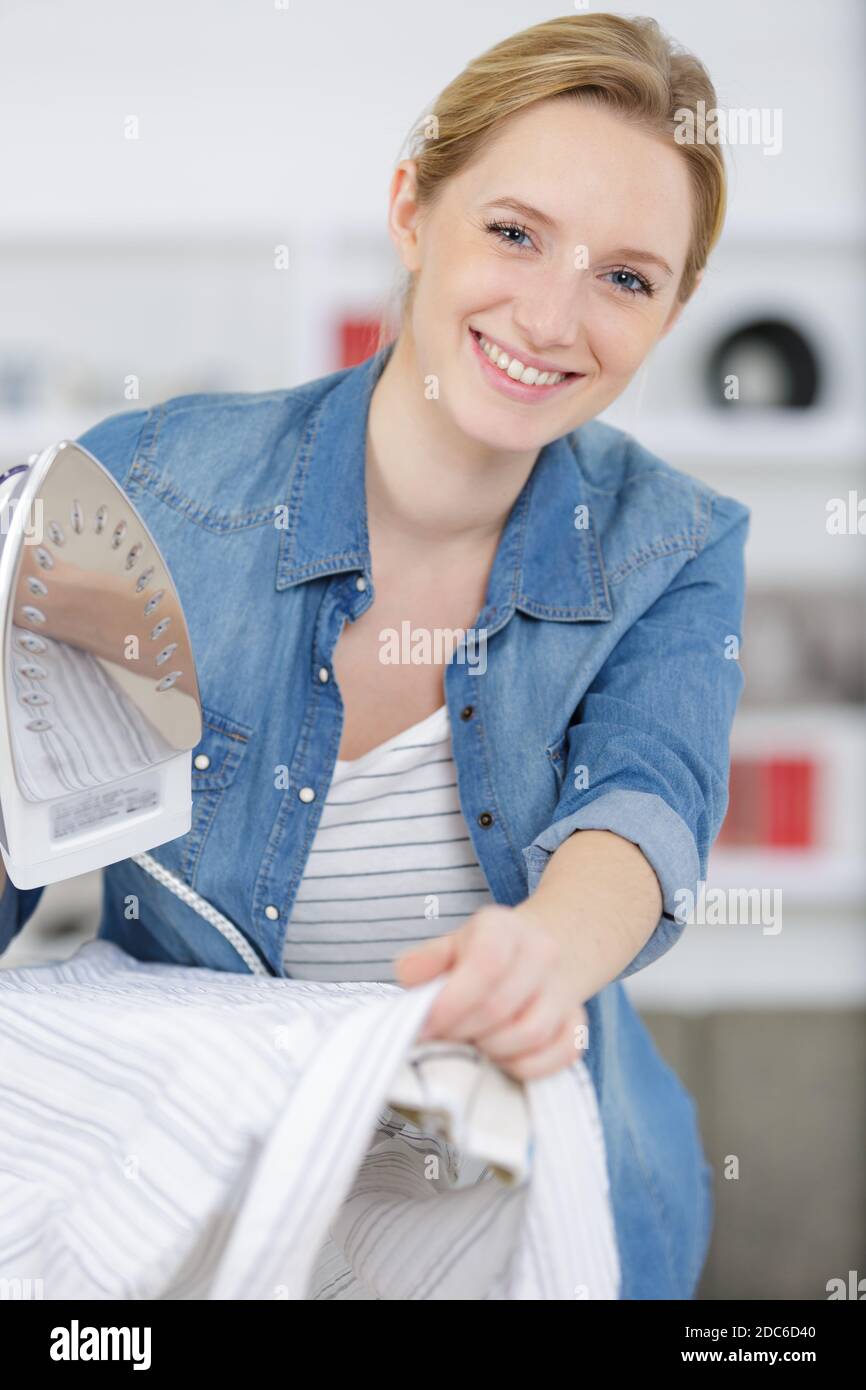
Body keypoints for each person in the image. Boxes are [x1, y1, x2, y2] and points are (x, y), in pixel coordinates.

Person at [0, 12, 748, 1298]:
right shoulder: (143, 494)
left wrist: (545, 951)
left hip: (502, 1218)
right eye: (513, 232)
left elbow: (646, 799)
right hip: (207, 1197)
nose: (551, 314)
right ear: (413, 209)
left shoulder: (675, 545)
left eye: (626, 277)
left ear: (671, 309)